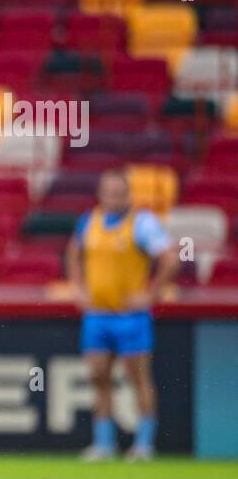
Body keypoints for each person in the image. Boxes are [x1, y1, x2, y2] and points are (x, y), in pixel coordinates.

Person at [66, 168, 178, 462]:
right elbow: (73, 253)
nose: (114, 198)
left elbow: (169, 259)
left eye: (120, 192)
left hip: (130, 317)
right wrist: (78, 289)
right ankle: (104, 444)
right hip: (98, 314)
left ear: (128, 194)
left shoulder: (142, 223)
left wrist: (150, 295)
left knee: (138, 378)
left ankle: (143, 445)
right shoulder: (89, 221)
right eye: (109, 192)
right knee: (98, 377)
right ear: (100, 194)